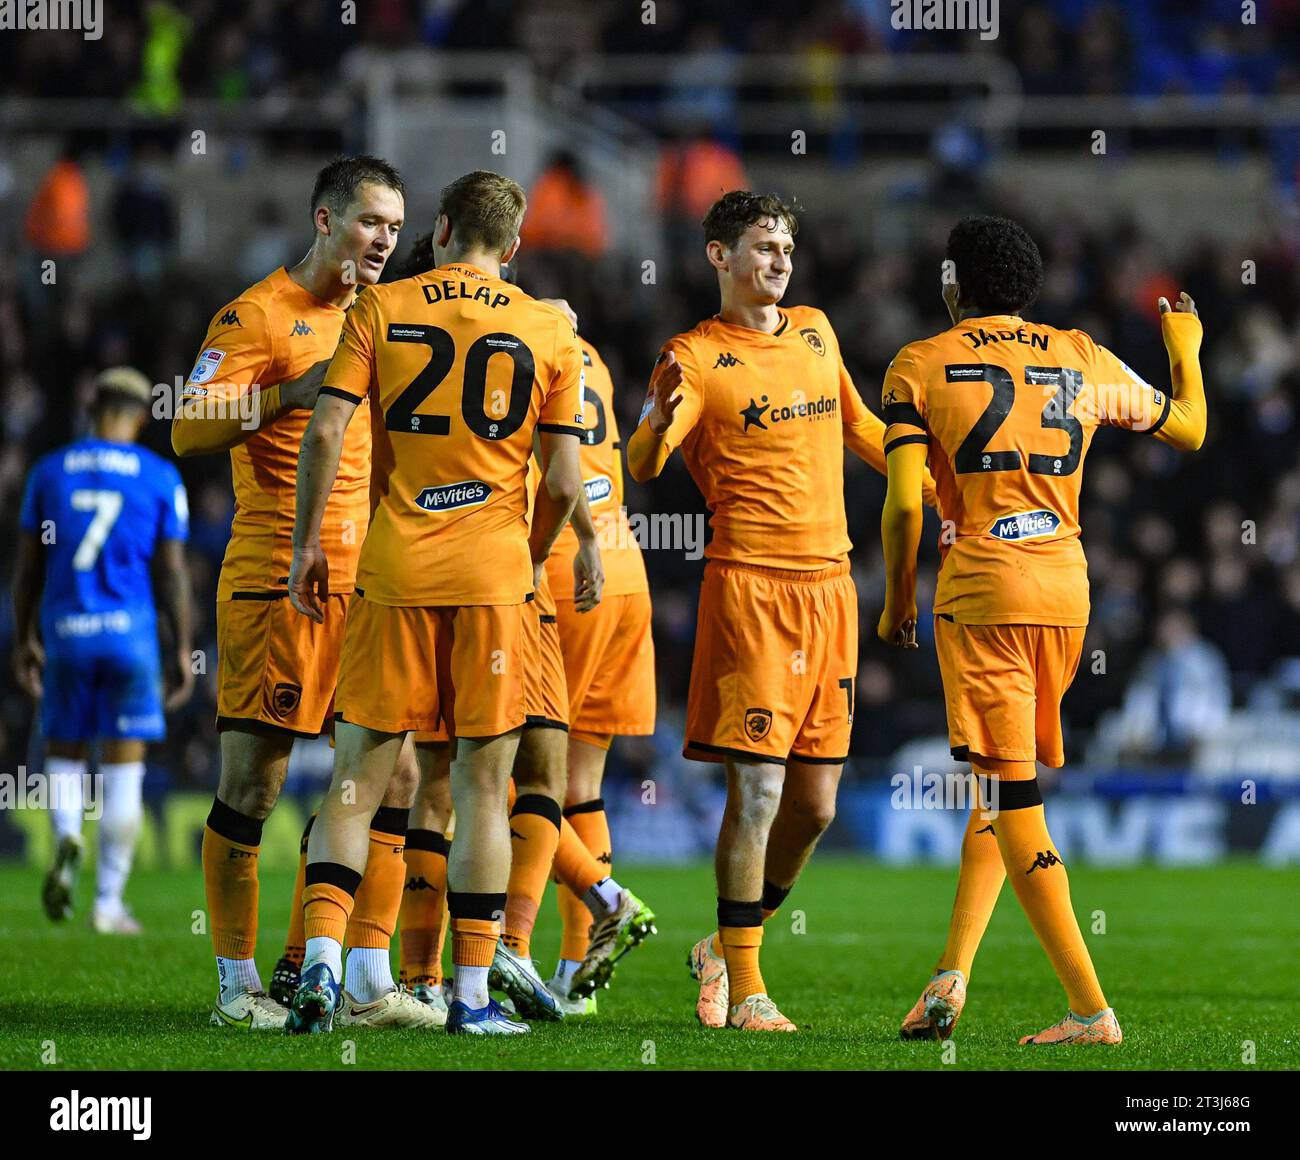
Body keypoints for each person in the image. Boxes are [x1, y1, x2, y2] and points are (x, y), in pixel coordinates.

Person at [878, 214, 1206, 1046]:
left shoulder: (919, 364)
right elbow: (1190, 428)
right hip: (1066, 593)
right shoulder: (1081, 356)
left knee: (1012, 799)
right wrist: (1185, 348)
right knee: (1001, 785)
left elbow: (906, 502)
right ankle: (951, 974)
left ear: (955, 282)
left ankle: (1090, 1010)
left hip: (984, 594)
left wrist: (896, 600)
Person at [285, 170, 595, 1036]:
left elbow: (325, 428)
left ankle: (321, 966)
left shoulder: (379, 308)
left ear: (444, 228)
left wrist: (308, 545)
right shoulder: (549, 328)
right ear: (515, 245)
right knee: (481, 788)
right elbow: (563, 482)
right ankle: (470, 998)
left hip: (393, 568)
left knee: (356, 780)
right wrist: (529, 556)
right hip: (493, 576)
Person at [628, 190, 935, 1031]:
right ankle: (749, 988)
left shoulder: (816, 331)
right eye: (764, 246)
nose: (780, 261)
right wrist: (654, 420)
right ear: (719, 255)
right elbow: (644, 463)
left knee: (815, 807)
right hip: (751, 590)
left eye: (787, 248)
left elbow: (861, 427)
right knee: (758, 789)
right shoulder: (694, 357)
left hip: (831, 590)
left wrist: (935, 486)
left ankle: (723, 946)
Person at [174, 155, 428, 1031]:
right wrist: (290, 392)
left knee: (394, 777)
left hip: (371, 584)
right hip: (276, 578)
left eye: (396, 227)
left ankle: (352, 979)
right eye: (370, 222)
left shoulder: (383, 318)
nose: (384, 240)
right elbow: (187, 428)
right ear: (325, 220)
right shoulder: (256, 314)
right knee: (256, 782)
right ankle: (235, 987)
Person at [14, 367, 193, 934]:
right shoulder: (159, 476)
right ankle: (108, 903)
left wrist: (24, 639)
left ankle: (67, 835)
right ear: (140, 417)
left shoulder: (49, 472)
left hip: (66, 633)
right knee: (124, 769)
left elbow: (28, 568)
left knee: (64, 752)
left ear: (93, 409)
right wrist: (182, 648)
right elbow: (171, 571)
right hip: (131, 638)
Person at [543, 333, 658, 1010]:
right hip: (626, 569)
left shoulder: (514, 341)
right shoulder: (595, 353)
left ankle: (601, 900)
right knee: (579, 787)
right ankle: (572, 977)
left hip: (566, 568)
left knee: (505, 774)